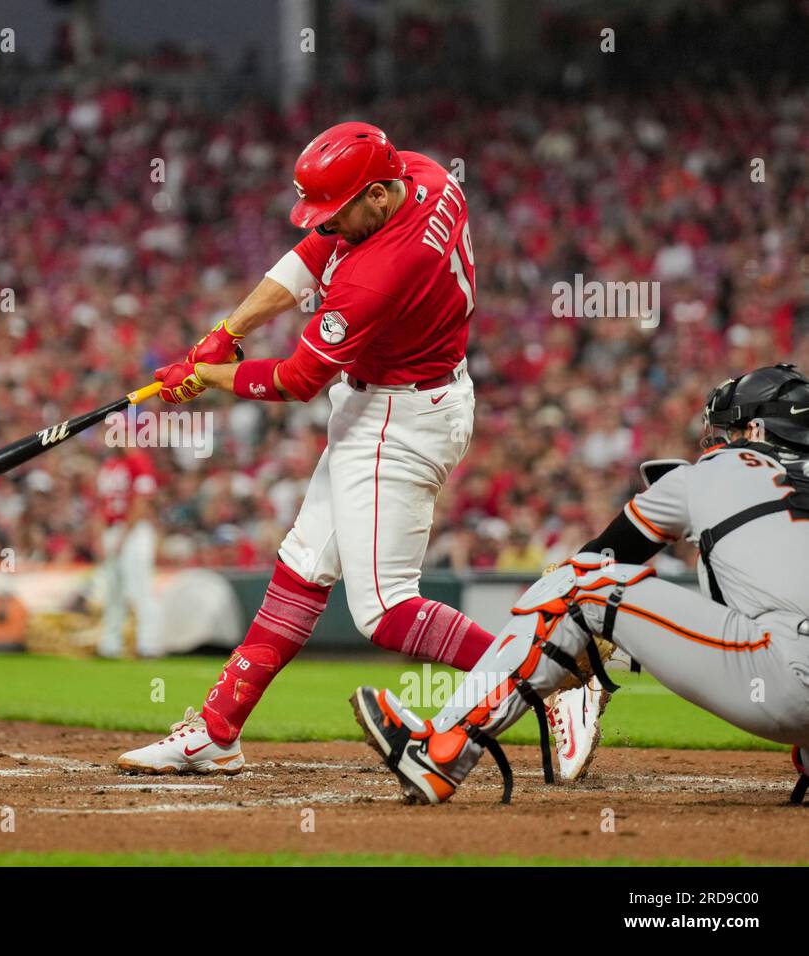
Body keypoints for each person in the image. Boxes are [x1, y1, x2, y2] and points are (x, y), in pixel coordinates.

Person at [118, 121, 599, 778]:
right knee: (303, 566)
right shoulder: (425, 173)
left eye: (336, 209)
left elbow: (294, 379)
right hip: (399, 399)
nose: (324, 223)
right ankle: (216, 731)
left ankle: (559, 683)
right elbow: (312, 251)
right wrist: (226, 331)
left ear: (376, 194)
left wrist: (205, 376)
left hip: (398, 420)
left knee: (384, 608)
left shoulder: (380, 272)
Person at [351, 364, 809, 804]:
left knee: (579, 587)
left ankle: (441, 751)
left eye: (731, 429)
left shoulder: (710, 472)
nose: (723, 440)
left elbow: (598, 559)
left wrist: (583, 650)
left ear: (754, 432)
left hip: (786, 681)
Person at [96, 449, 162, 657]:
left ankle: (148, 643)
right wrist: (100, 535)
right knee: (113, 590)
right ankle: (111, 643)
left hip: (135, 531)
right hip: (112, 529)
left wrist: (124, 534)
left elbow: (142, 502)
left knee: (140, 588)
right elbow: (102, 503)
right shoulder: (109, 465)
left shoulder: (139, 461)